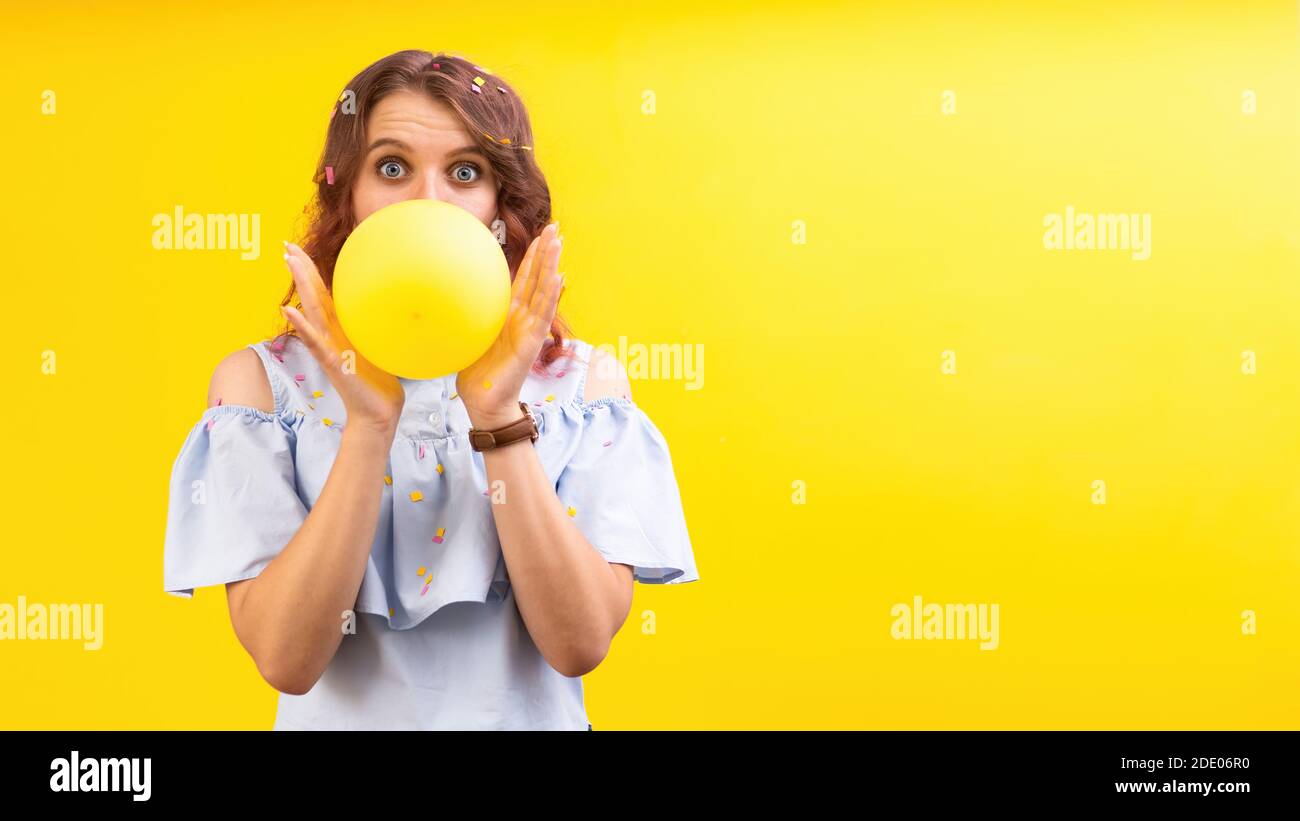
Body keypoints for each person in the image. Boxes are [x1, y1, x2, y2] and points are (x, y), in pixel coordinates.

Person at [161, 50, 699, 730]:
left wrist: (499, 415)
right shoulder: (262, 388)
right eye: (392, 168)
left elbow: (579, 642)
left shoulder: (583, 385)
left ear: (502, 203)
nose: (428, 202)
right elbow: (286, 658)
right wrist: (368, 426)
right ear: (347, 196)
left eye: (465, 173)